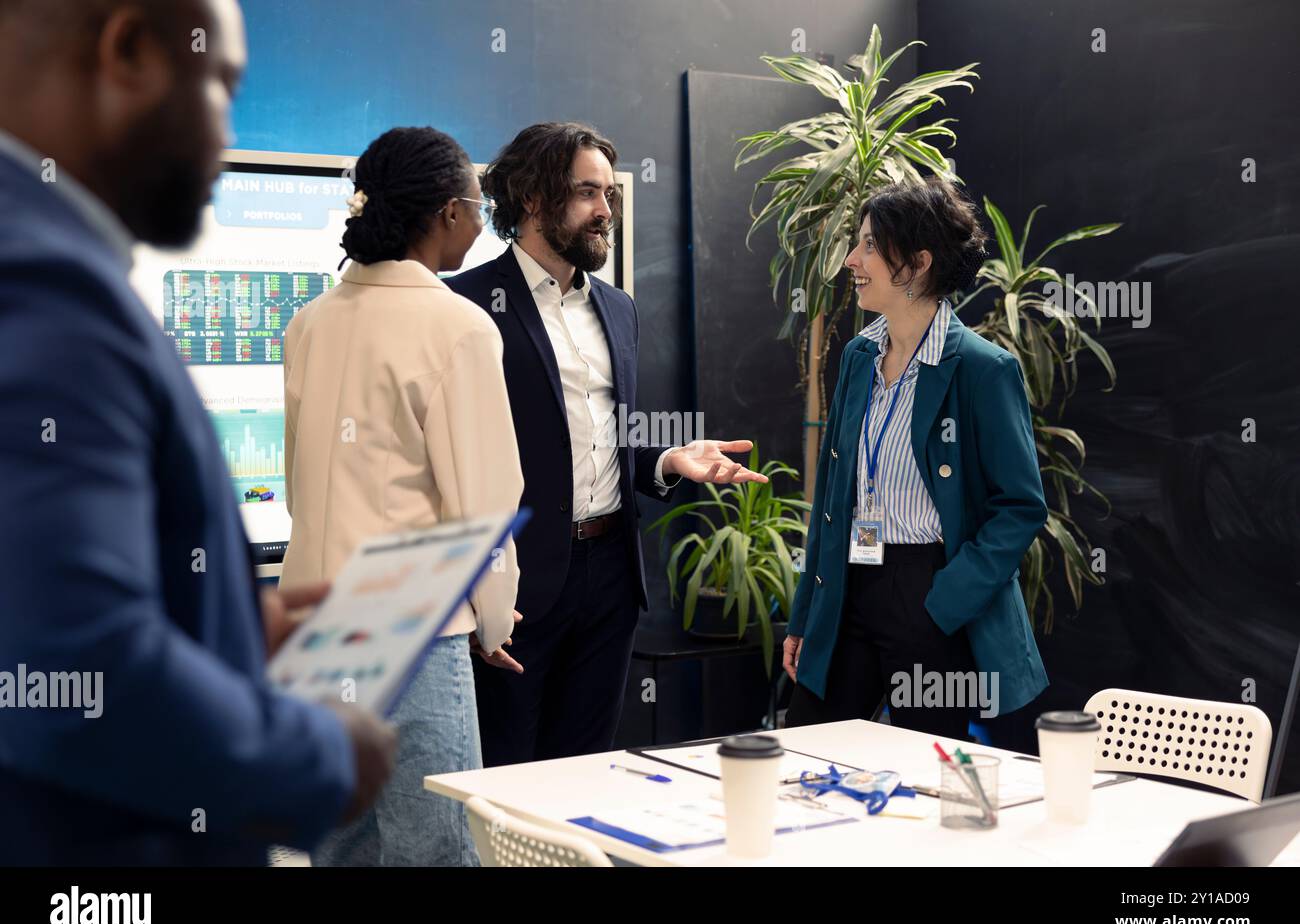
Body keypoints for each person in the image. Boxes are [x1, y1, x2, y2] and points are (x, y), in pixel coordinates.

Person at [0, 0, 395, 865]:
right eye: (220, 83)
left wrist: (217, 630)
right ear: (132, 49)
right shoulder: (45, 286)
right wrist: (324, 755)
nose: (224, 131)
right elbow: (75, 679)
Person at [447, 121, 766, 767]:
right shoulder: (466, 304)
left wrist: (668, 460)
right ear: (532, 199)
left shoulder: (619, 308)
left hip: (612, 579)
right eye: (587, 193)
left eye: (609, 197)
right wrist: (473, 593)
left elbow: (602, 441)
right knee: (509, 774)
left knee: (589, 767)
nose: (604, 211)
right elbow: (453, 466)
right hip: (518, 584)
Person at [279, 126, 524, 865]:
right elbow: (482, 505)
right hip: (410, 630)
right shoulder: (458, 326)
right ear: (448, 212)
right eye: (478, 207)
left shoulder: (309, 322)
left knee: (339, 849)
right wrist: (492, 620)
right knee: (439, 850)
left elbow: (298, 482)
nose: (482, 227)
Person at [783, 178, 1049, 738]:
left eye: (870, 246)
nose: (852, 259)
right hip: (849, 580)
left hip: (929, 590)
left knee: (930, 776)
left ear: (919, 263)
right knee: (811, 752)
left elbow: (1021, 506)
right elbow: (832, 493)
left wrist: (946, 600)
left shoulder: (984, 369)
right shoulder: (858, 356)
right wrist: (806, 614)